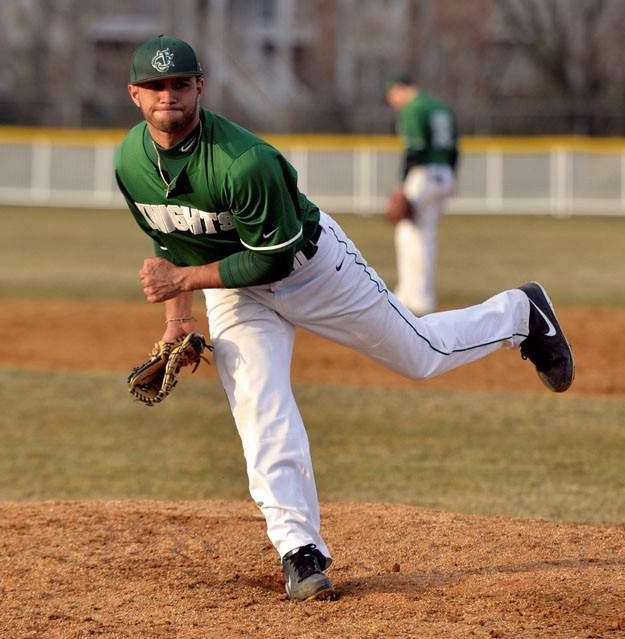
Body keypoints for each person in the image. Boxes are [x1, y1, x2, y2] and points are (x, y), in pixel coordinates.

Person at [113, 35, 574, 603]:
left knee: (420, 356)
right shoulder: (130, 162)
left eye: (179, 83)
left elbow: (272, 258)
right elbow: (172, 241)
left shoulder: (244, 161)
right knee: (261, 407)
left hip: (310, 268)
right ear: (134, 94)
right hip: (233, 290)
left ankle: (519, 314)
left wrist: (184, 283)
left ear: (199, 87)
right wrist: (176, 321)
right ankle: (299, 551)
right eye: (155, 87)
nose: (168, 96)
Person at [384, 72, 459, 316]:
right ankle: (411, 294)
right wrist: (453, 176)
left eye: (392, 95)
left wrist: (402, 183)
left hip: (423, 174)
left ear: (400, 89)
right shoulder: (440, 107)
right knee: (424, 234)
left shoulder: (413, 108)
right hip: (443, 173)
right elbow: (455, 147)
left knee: (410, 235)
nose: (392, 101)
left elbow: (414, 149)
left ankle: (415, 297)